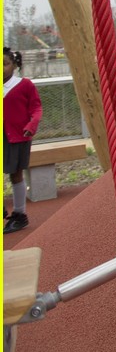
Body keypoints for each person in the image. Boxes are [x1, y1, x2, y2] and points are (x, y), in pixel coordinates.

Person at [3, 48, 42, 235]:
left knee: (15, 175)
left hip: (17, 137)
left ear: (14, 65)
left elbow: (36, 108)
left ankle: (20, 214)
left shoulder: (24, 85)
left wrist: (31, 125)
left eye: (5, 64)